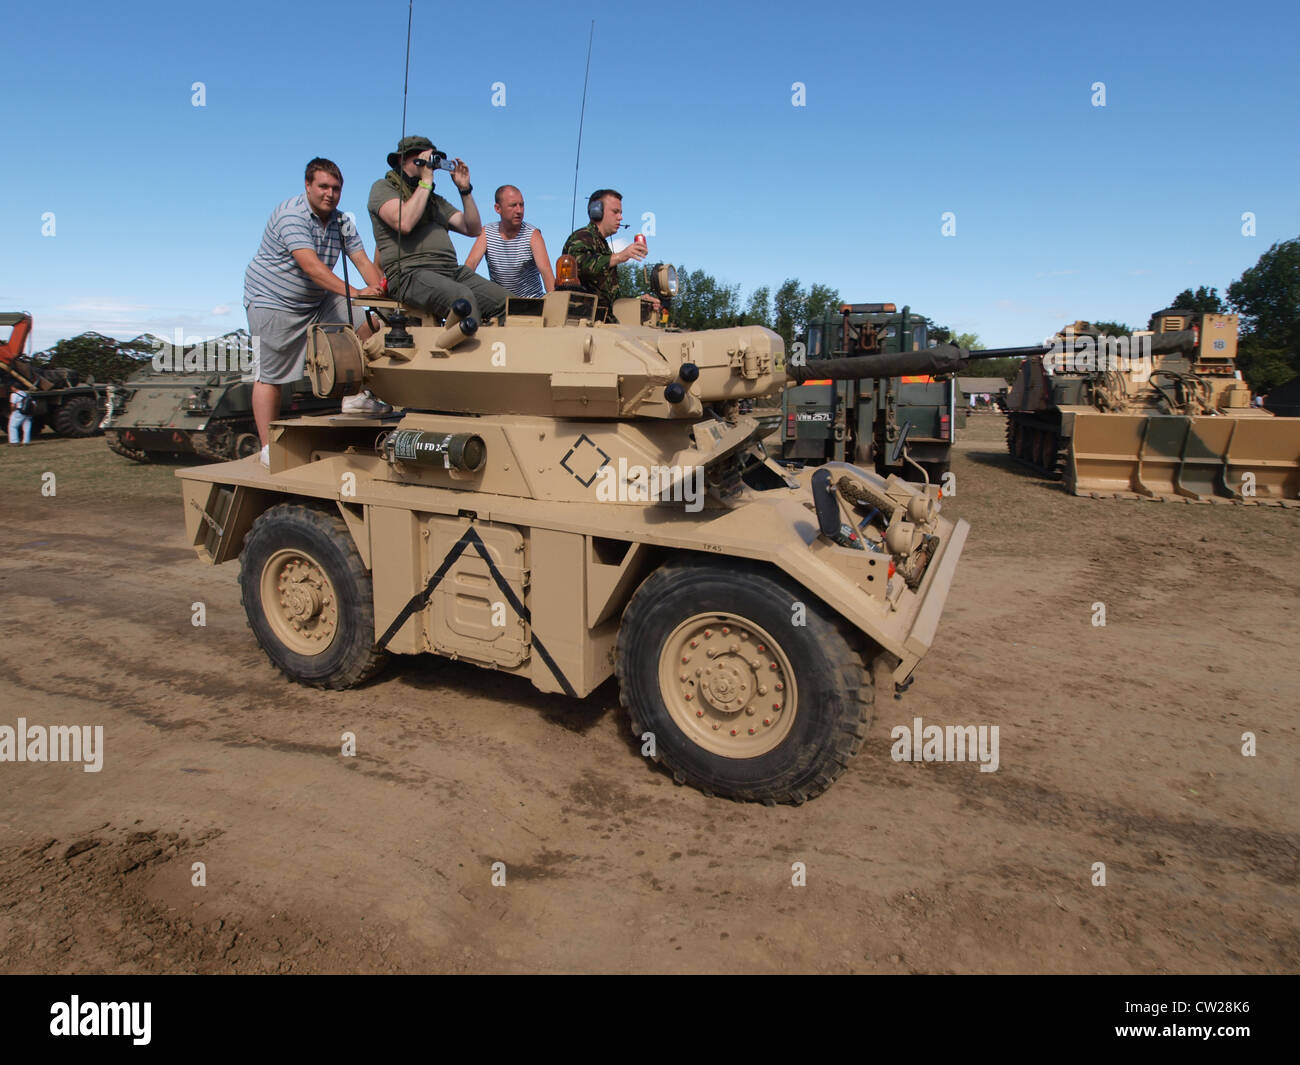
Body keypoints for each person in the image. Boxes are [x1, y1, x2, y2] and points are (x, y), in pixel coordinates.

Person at [244, 157, 388, 466]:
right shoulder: (290, 215)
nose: (330, 194)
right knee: (271, 374)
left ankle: (356, 396)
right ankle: (268, 447)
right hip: (273, 299)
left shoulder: (342, 222)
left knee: (369, 319)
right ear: (308, 185)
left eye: (336, 188)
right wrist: (358, 292)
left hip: (316, 299)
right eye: (323, 186)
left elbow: (363, 263)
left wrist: (384, 298)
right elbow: (312, 267)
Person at [369, 136, 509, 324]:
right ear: (402, 160)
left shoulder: (434, 200)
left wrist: (464, 190)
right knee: (463, 299)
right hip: (409, 274)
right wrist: (425, 180)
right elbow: (404, 223)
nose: (428, 165)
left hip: (450, 271)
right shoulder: (383, 188)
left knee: (510, 304)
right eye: (421, 158)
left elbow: (473, 227)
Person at [561, 189, 648, 321]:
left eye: (621, 213)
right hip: (582, 321)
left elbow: (611, 296)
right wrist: (620, 256)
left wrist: (639, 301)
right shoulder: (581, 237)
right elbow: (580, 265)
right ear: (597, 211)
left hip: (604, 322)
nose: (620, 217)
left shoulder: (603, 246)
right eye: (615, 212)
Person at [464, 185, 554, 298]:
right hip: (500, 304)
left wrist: (556, 306)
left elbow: (546, 272)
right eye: (513, 205)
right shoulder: (486, 233)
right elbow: (470, 265)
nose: (519, 210)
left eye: (521, 205)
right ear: (498, 208)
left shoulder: (533, 235)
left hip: (531, 304)